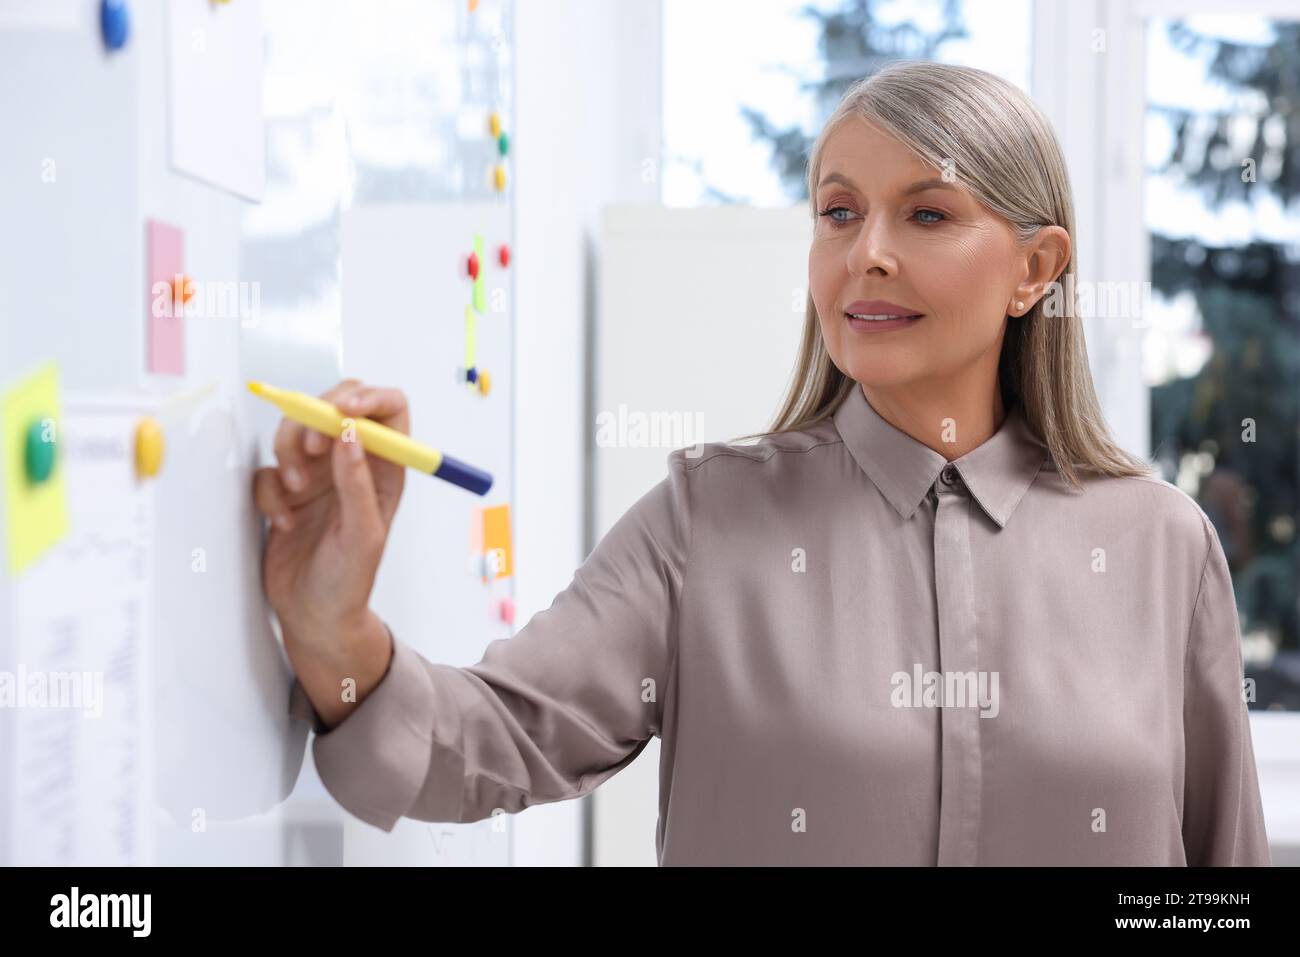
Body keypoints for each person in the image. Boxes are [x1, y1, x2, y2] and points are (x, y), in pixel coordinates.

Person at [252, 59, 1270, 866]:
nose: (864, 251)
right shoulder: (705, 521)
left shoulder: (1158, 546)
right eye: (837, 212)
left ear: (1034, 270)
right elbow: (484, 744)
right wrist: (331, 628)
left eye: (925, 213)